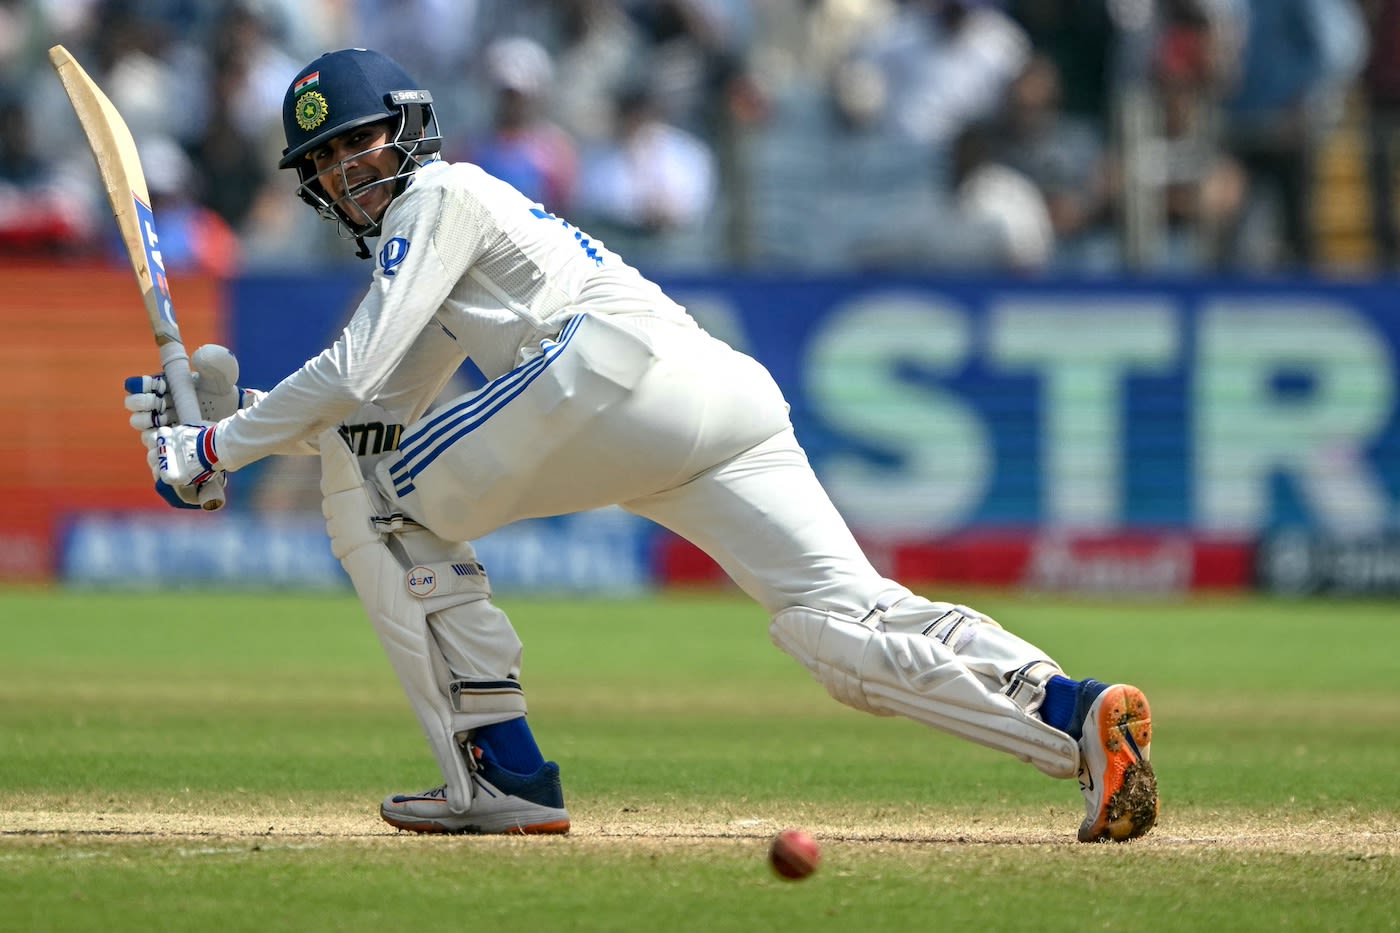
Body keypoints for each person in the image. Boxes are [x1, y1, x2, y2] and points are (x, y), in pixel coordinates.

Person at [129, 48, 1158, 841]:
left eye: (361, 143)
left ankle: (502, 773)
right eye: (329, 159)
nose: (352, 169)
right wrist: (236, 418)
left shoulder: (439, 196)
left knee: (381, 499)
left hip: (602, 374)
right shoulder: (457, 251)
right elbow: (368, 416)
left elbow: (353, 383)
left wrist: (213, 449)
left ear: (411, 132)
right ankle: (1074, 721)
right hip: (716, 394)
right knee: (840, 633)